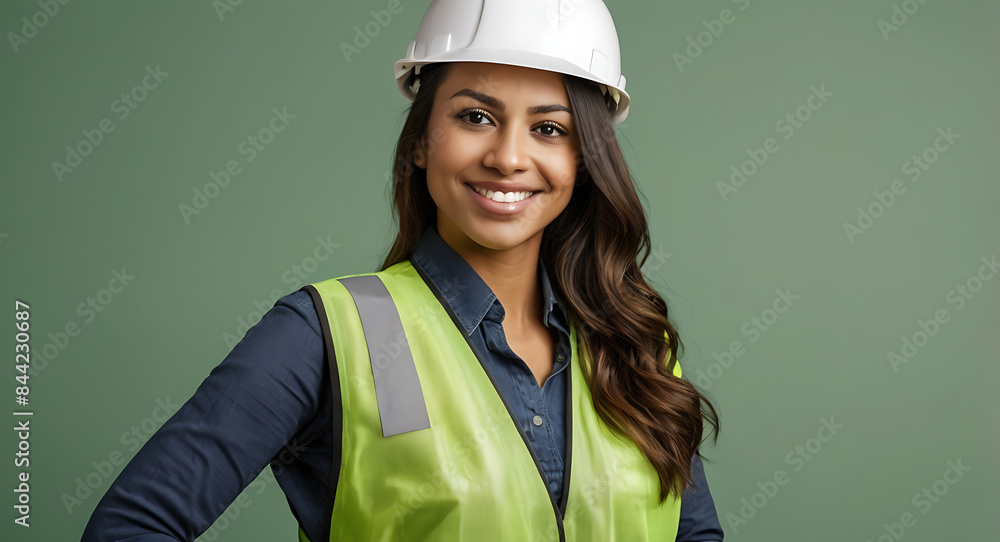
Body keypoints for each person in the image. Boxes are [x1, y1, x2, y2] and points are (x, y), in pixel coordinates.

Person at [83, 0, 723, 540]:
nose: (508, 157)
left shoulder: (637, 346)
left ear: (584, 158)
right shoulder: (325, 334)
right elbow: (132, 527)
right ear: (420, 141)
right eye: (476, 117)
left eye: (549, 128)